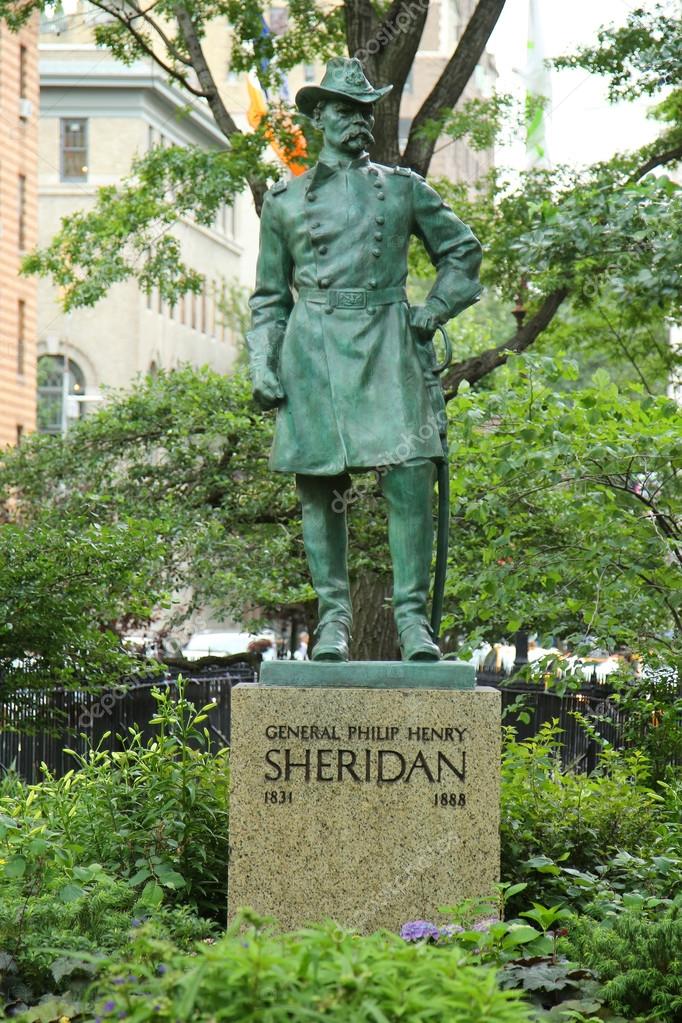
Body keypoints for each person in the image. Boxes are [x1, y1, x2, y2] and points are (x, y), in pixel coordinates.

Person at [247, 57, 482, 663]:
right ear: (319, 118)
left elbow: (462, 252)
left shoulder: (403, 189)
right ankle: (332, 622)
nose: (360, 121)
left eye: (365, 111)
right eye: (347, 111)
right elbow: (269, 298)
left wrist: (433, 310)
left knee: (410, 476)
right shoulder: (285, 202)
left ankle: (412, 622)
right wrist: (262, 364)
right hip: (313, 350)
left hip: (389, 341)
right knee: (321, 488)